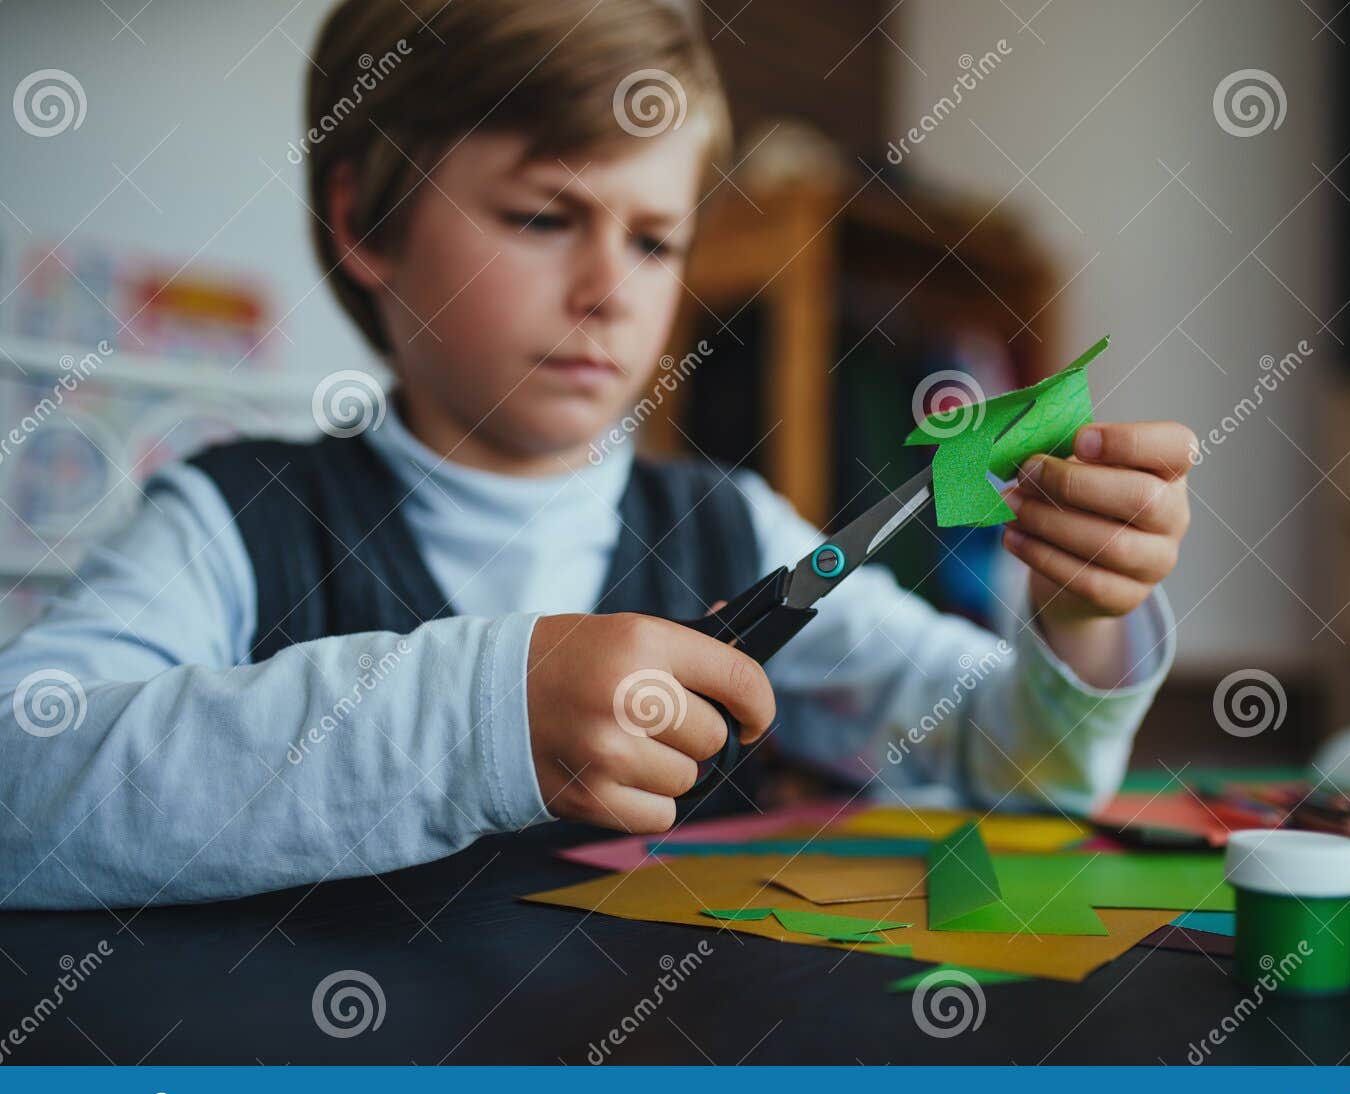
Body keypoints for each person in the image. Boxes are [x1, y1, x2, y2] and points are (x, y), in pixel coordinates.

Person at [0, 0, 1195, 909]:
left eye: (656, 240)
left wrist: (1082, 623)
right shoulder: (231, 518)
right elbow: (20, 788)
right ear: (366, 221)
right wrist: (479, 718)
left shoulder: (736, 528)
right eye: (541, 216)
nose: (608, 294)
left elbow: (1013, 777)